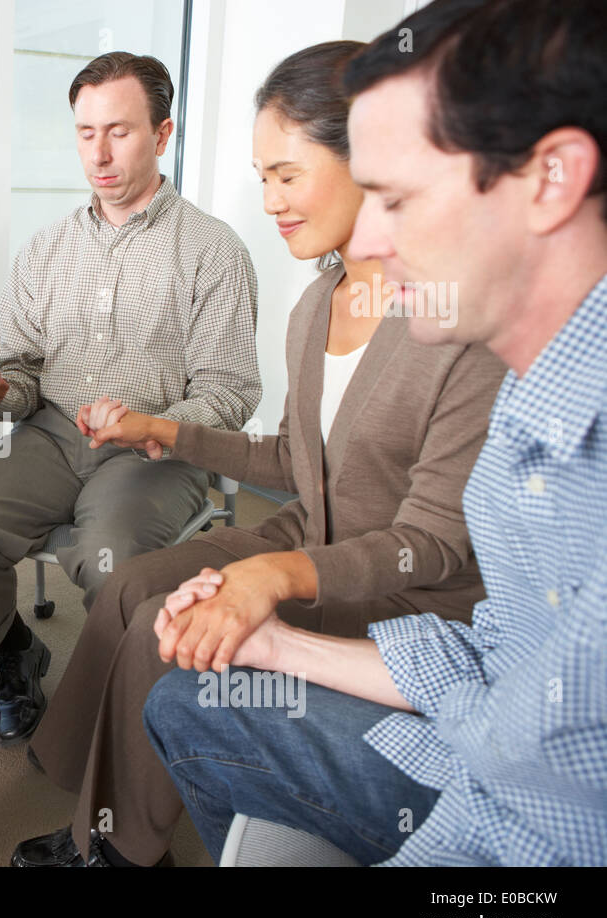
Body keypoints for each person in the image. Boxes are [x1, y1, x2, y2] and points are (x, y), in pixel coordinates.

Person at [9, 40, 508, 867]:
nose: (270, 200)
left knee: (161, 628)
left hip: (400, 588)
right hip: (309, 529)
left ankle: (119, 847)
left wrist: (268, 577)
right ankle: (83, 794)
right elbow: (296, 460)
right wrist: (161, 430)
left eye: (287, 173)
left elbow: (435, 543)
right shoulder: (318, 305)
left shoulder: (454, 325)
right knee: (134, 583)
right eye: (261, 176)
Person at [144, 0, 607, 866]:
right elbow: (498, 658)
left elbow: (528, 774)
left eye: (396, 198)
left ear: (551, 180)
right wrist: (274, 641)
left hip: (511, 825)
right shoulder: (533, 396)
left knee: (186, 705)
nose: (371, 243)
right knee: (189, 683)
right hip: (474, 752)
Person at [0, 51, 262, 742]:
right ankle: (13, 652)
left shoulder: (212, 250)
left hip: (156, 450)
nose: (100, 153)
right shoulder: (45, 252)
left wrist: (148, 425)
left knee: (111, 561)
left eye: (120, 131)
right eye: (86, 133)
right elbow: (19, 380)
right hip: (50, 434)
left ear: (163, 134)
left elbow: (229, 392)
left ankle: (102, 718)